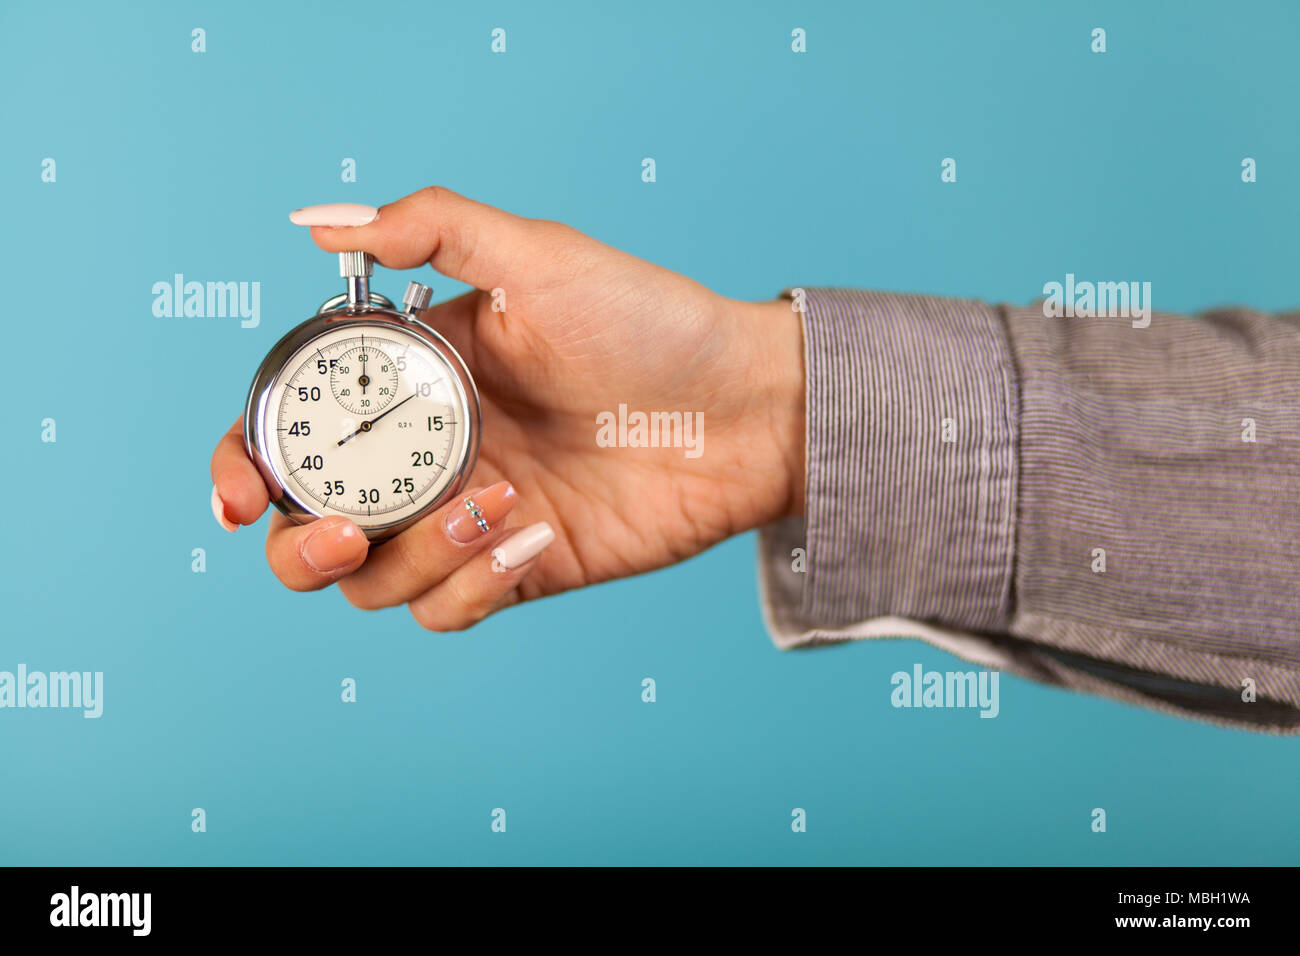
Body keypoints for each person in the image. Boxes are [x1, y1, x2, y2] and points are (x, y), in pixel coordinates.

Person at [210, 187, 1300, 734]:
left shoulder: (414, 366)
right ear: (287, 420)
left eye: (368, 417)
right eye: (328, 430)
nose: (350, 432)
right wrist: (768, 410)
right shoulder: (427, 375)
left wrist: (779, 408)